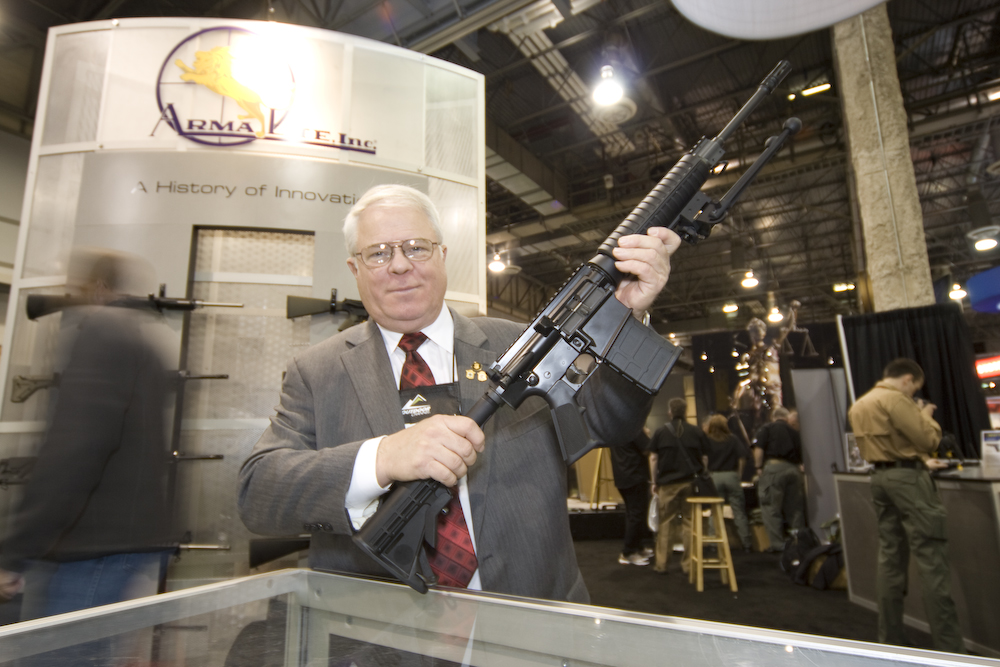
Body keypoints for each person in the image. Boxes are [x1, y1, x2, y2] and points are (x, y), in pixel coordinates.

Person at [237, 184, 679, 602]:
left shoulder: (519, 342)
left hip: (532, 626)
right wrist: (382, 458)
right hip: (380, 641)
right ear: (354, 269)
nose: (399, 264)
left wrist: (627, 317)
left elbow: (611, 422)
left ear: (443, 255)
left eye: (416, 247)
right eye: (378, 253)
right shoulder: (316, 372)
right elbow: (258, 493)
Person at [0, 250, 176, 617]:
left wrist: (16, 551)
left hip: (93, 549)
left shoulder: (102, 333)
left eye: (76, 289)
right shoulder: (139, 341)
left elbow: (74, 451)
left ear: (97, 288)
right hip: (114, 546)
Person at [847, 358, 964, 652]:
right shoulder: (896, 400)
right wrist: (925, 414)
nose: (913, 394)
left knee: (890, 558)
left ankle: (891, 639)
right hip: (909, 482)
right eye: (914, 389)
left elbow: (890, 444)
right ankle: (950, 649)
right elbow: (927, 439)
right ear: (908, 380)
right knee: (932, 560)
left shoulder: (860, 404)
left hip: (880, 480)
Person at [648, 398, 707, 574]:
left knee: (666, 523)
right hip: (690, 483)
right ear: (686, 411)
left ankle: (662, 564)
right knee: (690, 523)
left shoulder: (660, 432)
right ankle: (689, 564)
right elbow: (704, 458)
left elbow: (653, 458)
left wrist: (653, 482)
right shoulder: (696, 431)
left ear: (670, 412)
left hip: (667, 484)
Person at [752, 407, 805, 551]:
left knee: (770, 507)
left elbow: (759, 449)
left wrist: (758, 466)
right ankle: (799, 542)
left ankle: (777, 545)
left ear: (773, 417)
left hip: (774, 469)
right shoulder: (795, 431)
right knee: (795, 508)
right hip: (794, 470)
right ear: (786, 418)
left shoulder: (767, 428)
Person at [703, 414, 753, 552]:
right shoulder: (733, 439)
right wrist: (739, 474)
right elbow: (742, 457)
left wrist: (706, 473)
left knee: (714, 511)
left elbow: (704, 459)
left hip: (714, 476)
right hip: (731, 475)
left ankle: (713, 543)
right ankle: (746, 543)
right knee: (738, 510)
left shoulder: (707, 440)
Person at [609, 427, 655, 566]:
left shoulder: (613, 430)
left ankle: (638, 547)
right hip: (635, 475)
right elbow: (648, 448)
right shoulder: (633, 429)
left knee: (633, 513)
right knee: (636, 514)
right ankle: (628, 552)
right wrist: (646, 434)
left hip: (622, 477)